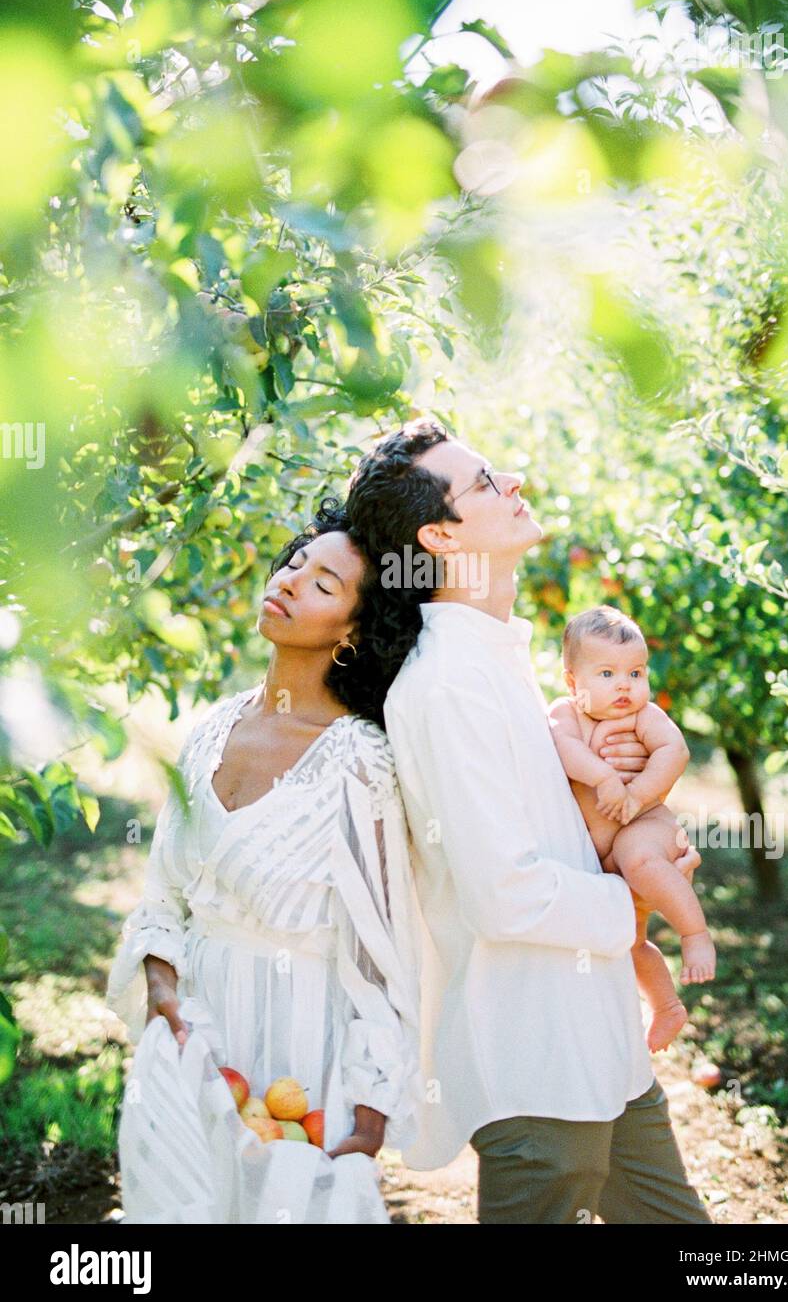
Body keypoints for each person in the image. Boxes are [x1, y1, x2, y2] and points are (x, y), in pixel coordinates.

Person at [345, 418, 712, 1225]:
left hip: (600, 1037)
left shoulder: (500, 659)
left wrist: (630, 847)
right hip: (535, 1059)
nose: (513, 482)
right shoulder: (445, 686)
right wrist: (635, 903)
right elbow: (501, 892)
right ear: (439, 536)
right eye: (484, 482)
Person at [104, 498, 424, 1224]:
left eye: (322, 583)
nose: (288, 579)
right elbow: (164, 891)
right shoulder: (212, 726)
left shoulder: (359, 761)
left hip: (301, 1045)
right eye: (294, 563)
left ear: (352, 631)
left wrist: (370, 1111)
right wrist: (162, 996)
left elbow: (379, 948)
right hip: (191, 1030)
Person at [548, 604, 716, 1055]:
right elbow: (560, 746)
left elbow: (674, 752)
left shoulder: (643, 716)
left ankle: (694, 934)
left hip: (645, 825)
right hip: (605, 859)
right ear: (572, 682)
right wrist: (603, 778)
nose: (624, 685)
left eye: (636, 673)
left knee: (641, 858)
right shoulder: (566, 715)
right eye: (606, 674)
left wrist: (638, 794)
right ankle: (665, 1006)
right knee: (631, 941)